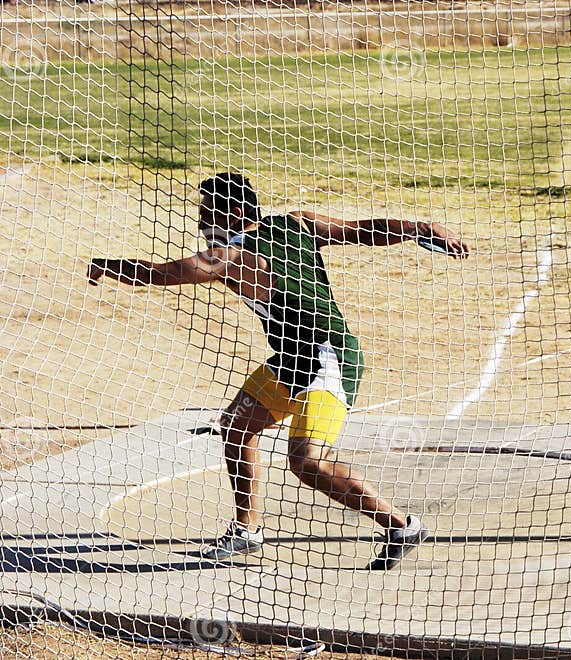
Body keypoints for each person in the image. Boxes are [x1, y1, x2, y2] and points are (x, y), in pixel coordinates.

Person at [87, 172, 470, 568]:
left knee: (308, 463)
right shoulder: (297, 222)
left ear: (235, 213)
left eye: (207, 214)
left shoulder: (228, 257)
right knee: (236, 427)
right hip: (289, 359)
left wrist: (108, 266)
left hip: (328, 357)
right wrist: (422, 228)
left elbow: (159, 273)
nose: (200, 223)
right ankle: (246, 529)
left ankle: (401, 525)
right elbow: (363, 230)